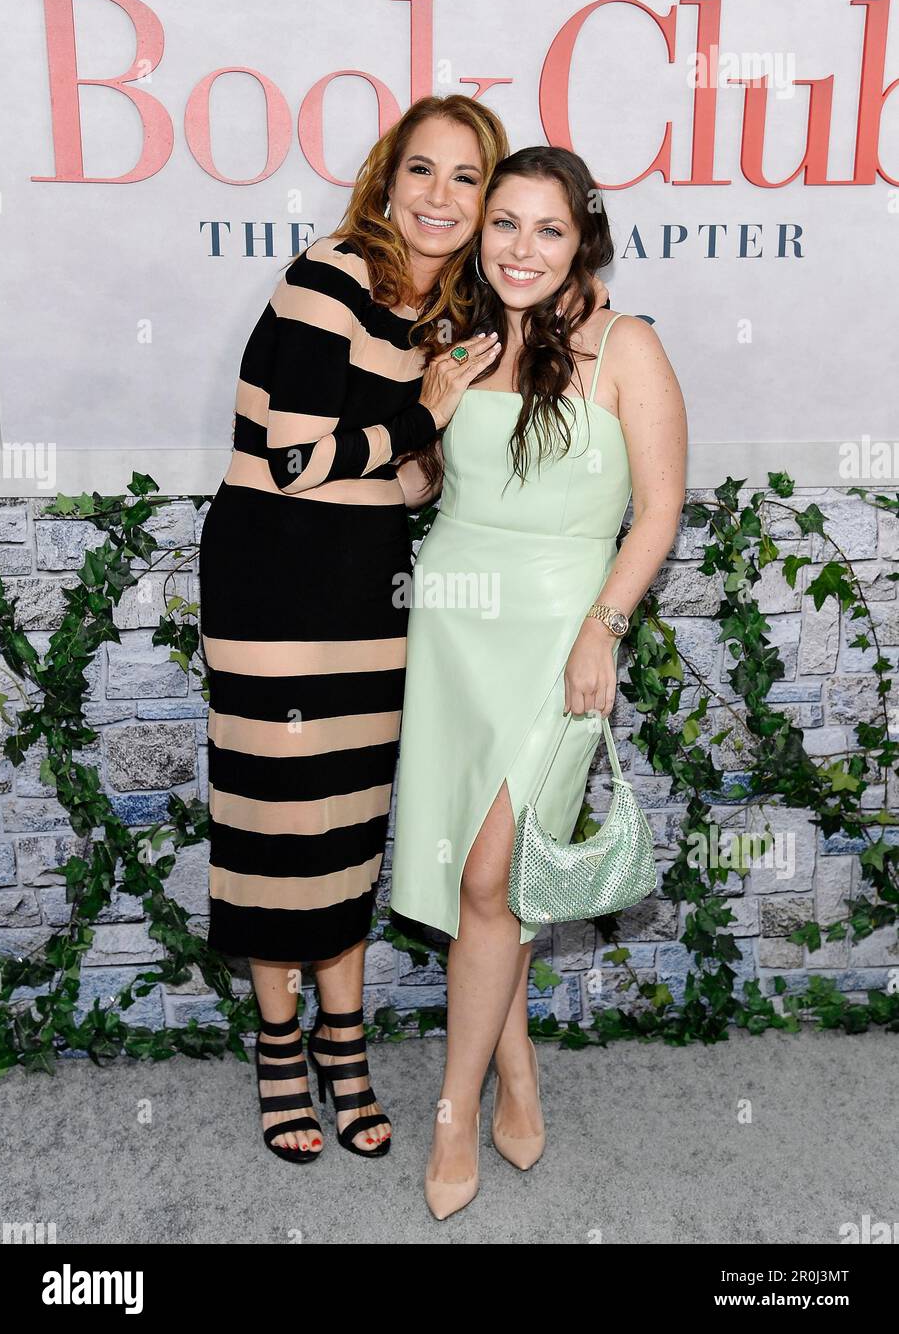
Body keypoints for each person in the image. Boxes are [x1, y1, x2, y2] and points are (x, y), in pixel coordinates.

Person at [197, 95, 510, 1162]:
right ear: (386, 182)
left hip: (366, 586)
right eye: (420, 171)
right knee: (280, 820)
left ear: (484, 199)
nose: (439, 196)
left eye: (465, 178)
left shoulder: (444, 324)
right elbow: (295, 458)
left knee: (343, 819)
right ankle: (279, 1042)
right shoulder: (331, 272)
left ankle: (344, 1039)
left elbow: (410, 485)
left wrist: (424, 425)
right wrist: (423, 410)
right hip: (272, 583)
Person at [390, 146, 687, 1216]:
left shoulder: (626, 346)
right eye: (502, 223)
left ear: (583, 238)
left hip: (559, 634)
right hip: (455, 627)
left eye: (546, 229)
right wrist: (427, 407)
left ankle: (453, 1111)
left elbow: (657, 508)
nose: (519, 248)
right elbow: (423, 489)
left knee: (489, 879)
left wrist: (602, 627)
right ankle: (515, 1068)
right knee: (475, 884)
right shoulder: (461, 341)